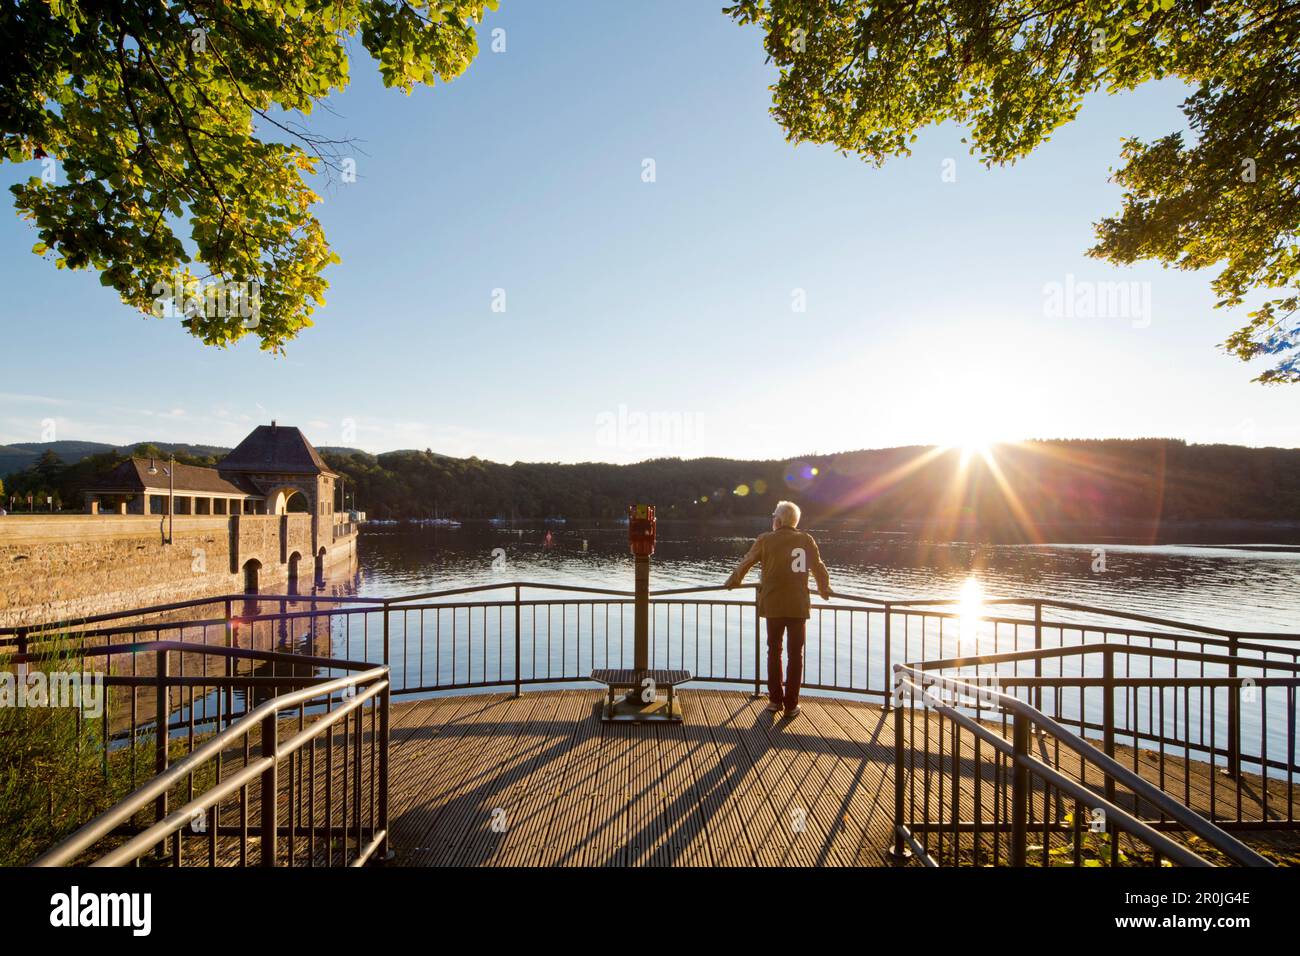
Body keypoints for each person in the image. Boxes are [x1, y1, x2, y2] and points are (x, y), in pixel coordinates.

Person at [724, 500, 831, 718]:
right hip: (798, 605)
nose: (773, 520)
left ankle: (775, 701)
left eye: (774, 517)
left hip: (773, 604)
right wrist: (824, 588)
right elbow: (818, 567)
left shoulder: (765, 539)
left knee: (774, 651)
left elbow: (747, 561)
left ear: (779, 520)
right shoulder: (806, 540)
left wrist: (734, 580)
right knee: (796, 655)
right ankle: (791, 704)